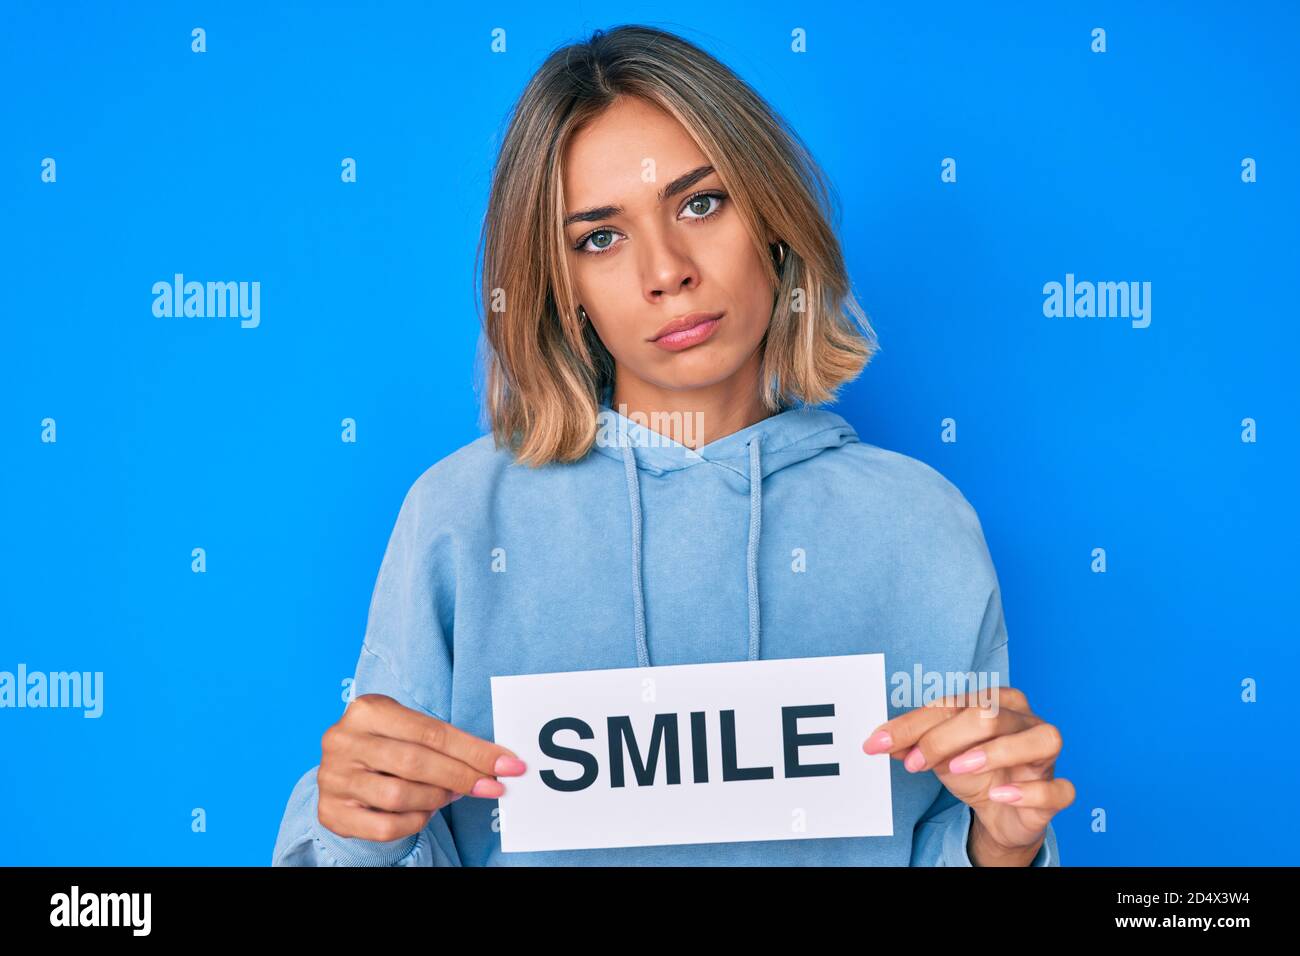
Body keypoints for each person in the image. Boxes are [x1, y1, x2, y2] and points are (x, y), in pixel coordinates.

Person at [272, 24, 1073, 867]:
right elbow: (392, 839)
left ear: (771, 216)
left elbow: (944, 839)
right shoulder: (461, 517)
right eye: (600, 238)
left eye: (701, 202)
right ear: (565, 286)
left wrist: (1002, 844)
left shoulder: (921, 523)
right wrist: (351, 831)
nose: (667, 270)